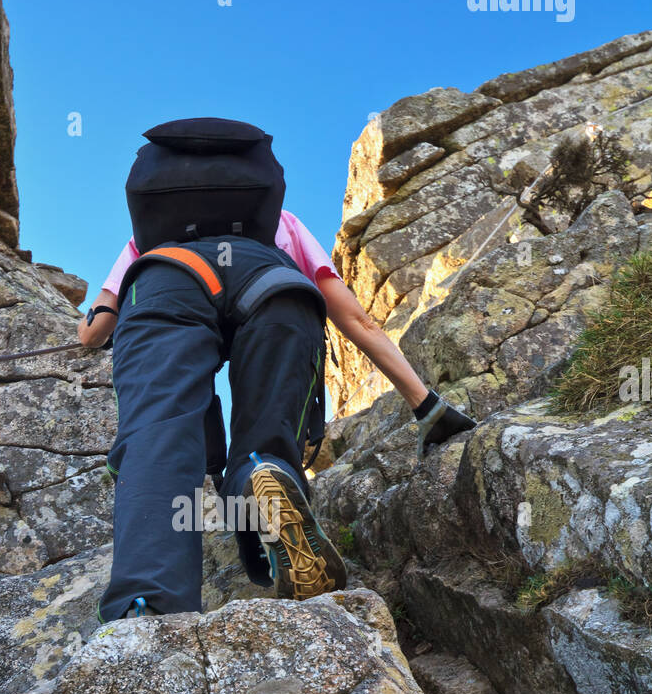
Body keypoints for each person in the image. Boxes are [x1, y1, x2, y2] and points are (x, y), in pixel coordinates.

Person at [79, 136, 475, 622]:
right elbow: (357, 319)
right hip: (275, 283)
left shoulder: (148, 239)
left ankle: (147, 607)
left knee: (155, 440)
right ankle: (264, 469)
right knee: (267, 436)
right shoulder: (283, 226)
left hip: (167, 282)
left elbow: (96, 332)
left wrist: (93, 317)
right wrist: (426, 404)